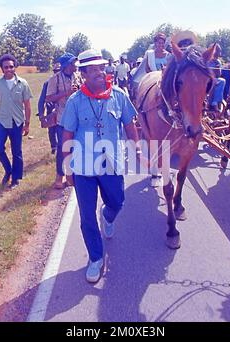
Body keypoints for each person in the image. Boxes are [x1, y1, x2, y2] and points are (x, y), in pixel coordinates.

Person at [61, 49, 140, 283]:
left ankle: (107, 216)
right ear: (83, 73)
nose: (98, 72)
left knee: (117, 201)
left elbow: (129, 124)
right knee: (86, 216)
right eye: (92, 69)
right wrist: (66, 169)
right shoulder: (75, 102)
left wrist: (137, 148)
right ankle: (95, 258)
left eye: (101, 67)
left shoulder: (119, 95)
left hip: (111, 163)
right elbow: (66, 135)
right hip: (83, 167)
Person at [0, 54, 32, 189]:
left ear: (15, 67)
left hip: (17, 122)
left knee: (16, 151)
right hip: (2, 121)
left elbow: (27, 105)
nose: (9, 69)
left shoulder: (23, 83)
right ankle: (8, 170)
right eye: (6, 67)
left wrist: (27, 124)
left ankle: (16, 179)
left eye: (11, 67)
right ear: (2, 68)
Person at [46, 52, 79, 189]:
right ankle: (60, 175)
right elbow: (48, 98)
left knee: (76, 146)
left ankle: (73, 174)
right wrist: (67, 94)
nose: (75, 66)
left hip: (77, 118)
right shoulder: (55, 80)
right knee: (62, 148)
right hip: (62, 119)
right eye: (72, 63)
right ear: (66, 65)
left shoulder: (77, 77)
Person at [37, 62, 61, 154]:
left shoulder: (67, 82)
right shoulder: (47, 83)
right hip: (51, 111)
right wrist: (41, 114)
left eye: (58, 71)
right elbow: (42, 100)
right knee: (51, 130)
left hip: (62, 110)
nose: (57, 73)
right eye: (55, 71)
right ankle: (53, 147)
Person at [207, 44, 226, 115]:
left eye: (218, 52)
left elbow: (219, 75)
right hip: (205, 79)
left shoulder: (218, 62)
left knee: (222, 81)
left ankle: (215, 102)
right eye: (216, 52)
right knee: (215, 81)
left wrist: (217, 69)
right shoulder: (206, 60)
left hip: (214, 79)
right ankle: (210, 103)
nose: (217, 54)